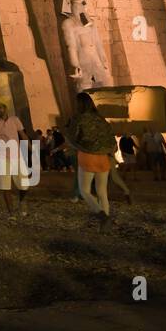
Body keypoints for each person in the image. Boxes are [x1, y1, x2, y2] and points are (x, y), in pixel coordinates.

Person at [65, 91, 118, 228]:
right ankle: (105, 223)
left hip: (87, 157)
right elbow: (111, 138)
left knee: (85, 191)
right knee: (102, 192)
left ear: (79, 104)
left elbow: (71, 138)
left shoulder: (78, 118)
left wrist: (72, 143)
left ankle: (101, 215)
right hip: (103, 158)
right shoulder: (101, 119)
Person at [0, 102, 30, 220]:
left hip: (17, 156)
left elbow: (23, 134)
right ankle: (11, 213)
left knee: (24, 185)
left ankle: (22, 203)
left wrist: (32, 149)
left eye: (0, 107)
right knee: (5, 187)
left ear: (5, 108)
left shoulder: (15, 120)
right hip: (2, 158)